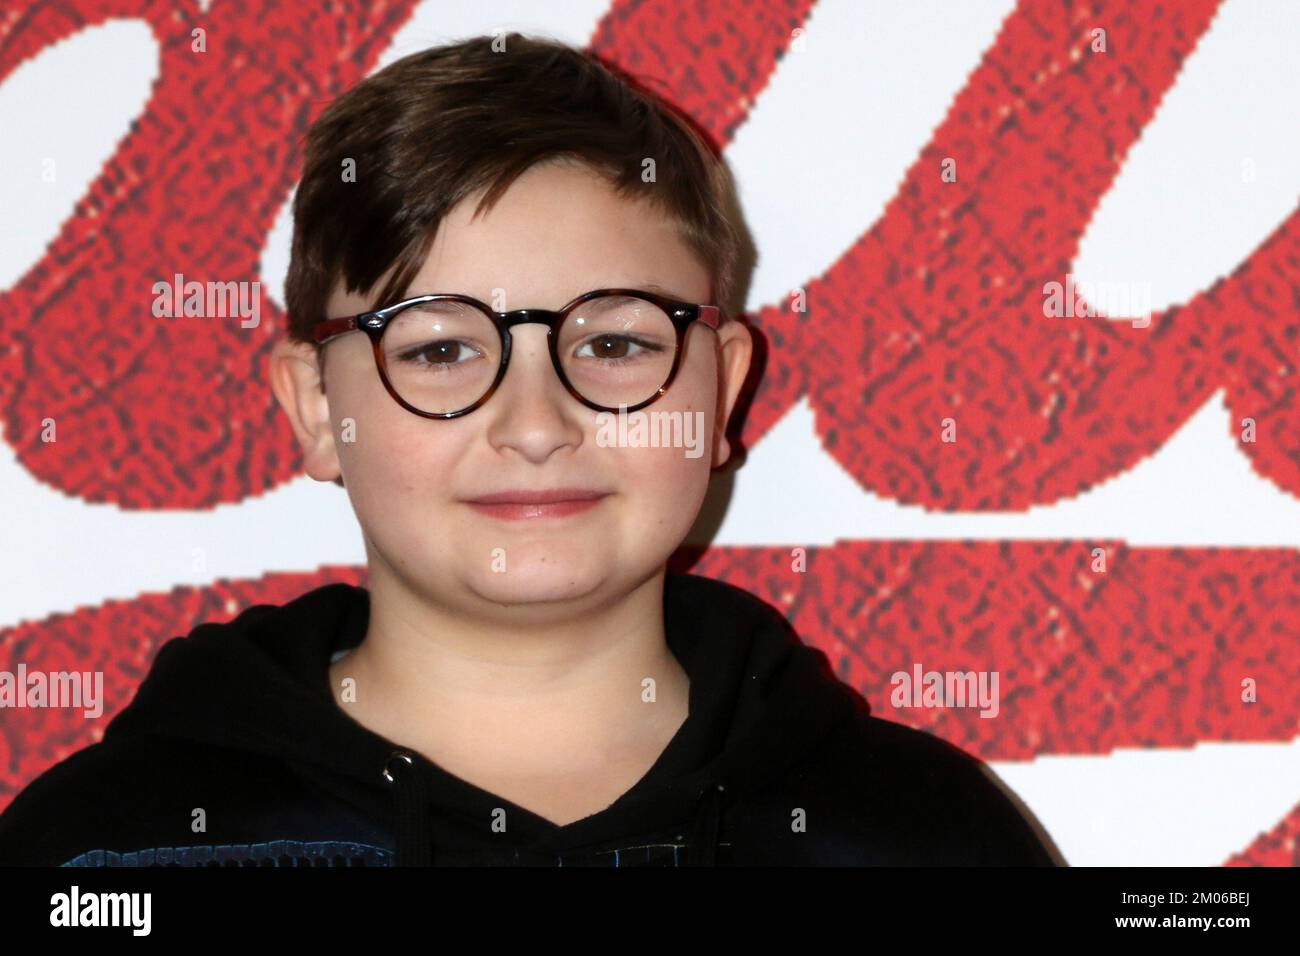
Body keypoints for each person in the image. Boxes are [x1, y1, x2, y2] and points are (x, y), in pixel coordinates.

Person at [0, 32, 1060, 867]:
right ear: (319, 405)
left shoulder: (918, 837)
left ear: (724, 385)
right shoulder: (108, 852)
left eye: (612, 341)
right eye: (443, 347)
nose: (537, 421)